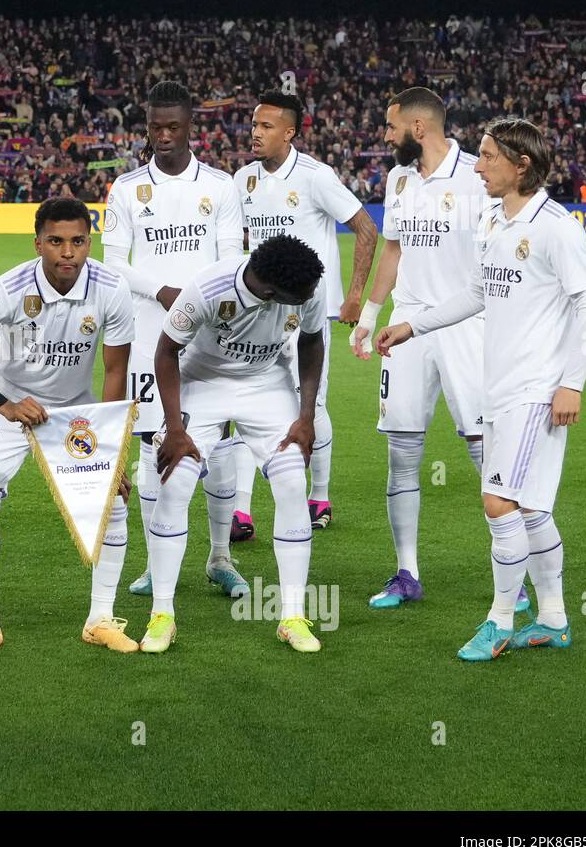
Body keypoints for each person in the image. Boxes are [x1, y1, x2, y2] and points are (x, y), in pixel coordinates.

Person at [377, 118, 586, 662]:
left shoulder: (555, 227)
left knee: (498, 501)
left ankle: (500, 621)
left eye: (488, 157)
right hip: (496, 386)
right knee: (531, 511)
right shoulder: (494, 221)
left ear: (521, 165)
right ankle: (553, 619)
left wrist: (571, 383)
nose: (477, 167)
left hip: (535, 389)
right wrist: (413, 325)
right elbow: (478, 292)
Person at [351, 87, 528, 612]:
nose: (385, 135)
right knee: (402, 450)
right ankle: (406, 572)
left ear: (418, 128)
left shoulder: (478, 177)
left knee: (482, 449)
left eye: (390, 127)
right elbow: (393, 248)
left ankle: (514, 579)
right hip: (406, 325)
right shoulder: (399, 178)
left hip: (465, 325)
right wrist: (368, 316)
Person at [0, 197, 137, 657]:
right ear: (38, 244)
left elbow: (115, 371)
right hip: (9, 402)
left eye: (77, 241)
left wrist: (112, 448)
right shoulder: (8, 290)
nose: (67, 252)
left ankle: (100, 619)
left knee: (113, 504)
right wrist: (6, 404)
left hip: (75, 410)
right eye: (56, 241)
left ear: (88, 242)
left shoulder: (112, 288)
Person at [142, 233, 327, 654]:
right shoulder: (208, 288)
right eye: (302, 296)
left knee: (293, 483)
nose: (312, 298)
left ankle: (293, 616)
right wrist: (175, 429)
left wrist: (306, 416)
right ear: (268, 292)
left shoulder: (306, 282)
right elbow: (167, 351)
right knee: (176, 482)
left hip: (266, 385)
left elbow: (311, 341)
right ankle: (162, 615)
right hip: (203, 382)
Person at [100, 80, 246, 600]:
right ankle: (151, 562)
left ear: (190, 128)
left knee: (221, 446)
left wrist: (198, 304)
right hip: (147, 335)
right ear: (146, 128)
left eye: (173, 127)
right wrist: (162, 290)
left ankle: (220, 557)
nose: (164, 136)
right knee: (149, 448)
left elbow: (231, 260)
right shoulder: (125, 189)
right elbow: (114, 263)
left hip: (209, 339)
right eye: (155, 127)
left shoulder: (220, 187)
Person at [228, 90, 378, 535]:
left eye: (266, 126)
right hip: (254, 311)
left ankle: (319, 496)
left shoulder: (316, 176)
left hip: (304, 313)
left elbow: (366, 229)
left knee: (312, 401)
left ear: (290, 132)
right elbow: (237, 243)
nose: (255, 133)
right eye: (253, 125)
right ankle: (241, 510)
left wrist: (353, 295)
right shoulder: (243, 180)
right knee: (243, 399)